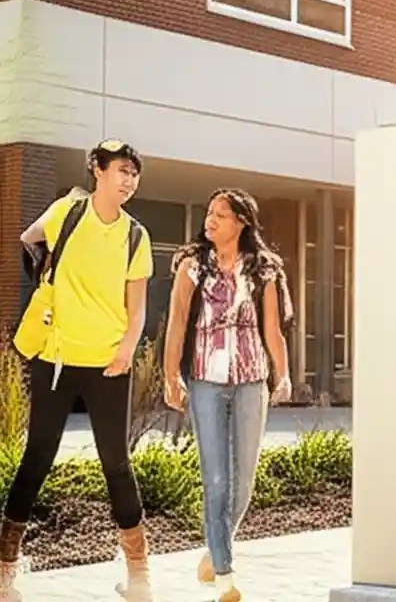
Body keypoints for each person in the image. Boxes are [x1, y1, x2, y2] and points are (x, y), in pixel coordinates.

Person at [1, 140, 155, 601]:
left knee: (116, 463)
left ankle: (139, 574)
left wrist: (126, 350)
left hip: (109, 363)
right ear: (97, 170)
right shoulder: (66, 213)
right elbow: (29, 237)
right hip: (57, 356)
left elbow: (137, 307)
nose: (129, 181)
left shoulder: (136, 235)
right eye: (122, 170)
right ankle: (5, 568)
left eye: (134, 174)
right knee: (37, 456)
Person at [161, 188, 294, 602]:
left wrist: (283, 375)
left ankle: (213, 550)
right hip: (205, 380)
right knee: (216, 481)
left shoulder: (262, 269)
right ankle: (224, 576)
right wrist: (170, 376)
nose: (211, 220)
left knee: (243, 484)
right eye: (209, 212)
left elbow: (271, 329)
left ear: (241, 222)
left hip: (251, 380)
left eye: (221, 214)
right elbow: (177, 323)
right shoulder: (192, 266)